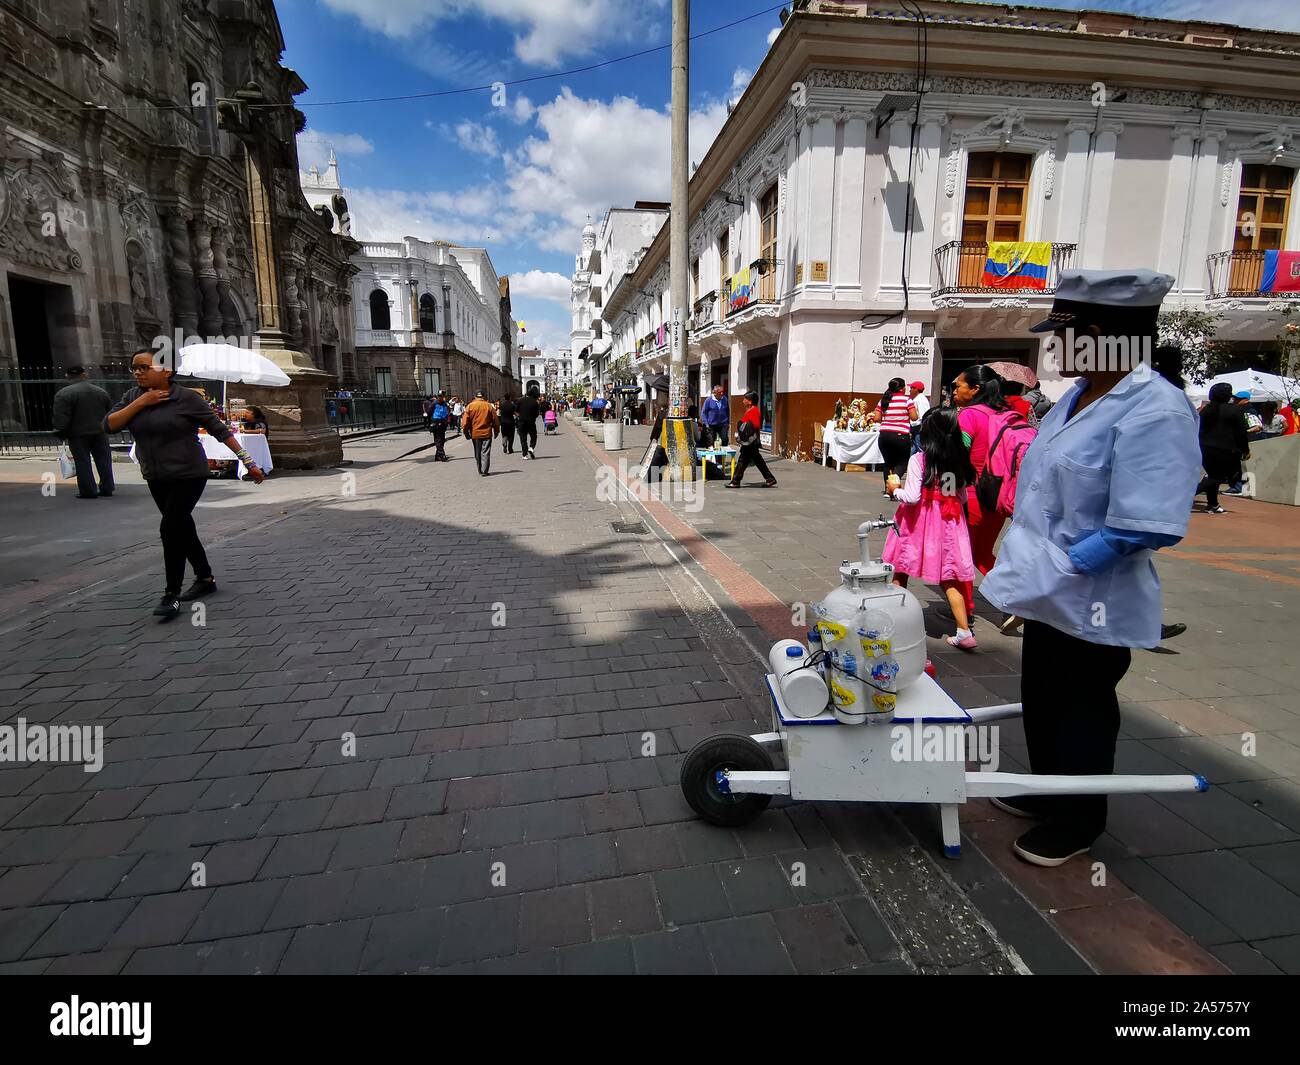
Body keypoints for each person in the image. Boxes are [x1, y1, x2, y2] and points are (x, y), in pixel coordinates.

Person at [980, 269, 1201, 868]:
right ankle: (1050, 793)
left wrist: (1066, 567)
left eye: (1063, 335)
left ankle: (1078, 822)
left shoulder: (1156, 410)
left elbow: (1146, 522)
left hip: (1092, 594)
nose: (1054, 346)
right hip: (1048, 592)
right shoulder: (1076, 398)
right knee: (1043, 698)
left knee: (1081, 709)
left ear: (1100, 335)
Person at [106, 348, 265, 619]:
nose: (138, 372)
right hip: (156, 475)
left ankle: (171, 594)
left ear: (166, 371)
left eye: (145, 367)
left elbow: (220, 431)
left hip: (188, 474)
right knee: (182, 527)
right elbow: (109, 425)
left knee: (170, 529)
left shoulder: (186, 399)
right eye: (135, 367)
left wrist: (249, 462)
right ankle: (205, 578)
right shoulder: (132, 397)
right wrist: (141, 403)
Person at [882, 407, 978, 649]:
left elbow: (913, 496)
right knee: (949, 577)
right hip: (948, 523)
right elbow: (960, 497)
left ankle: (896, 623)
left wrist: (894, 489)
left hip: (917, 523)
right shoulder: (955, 459)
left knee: (901, 569)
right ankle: (964, 631)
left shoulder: (919, 459)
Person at [951, 364, 1012, 623]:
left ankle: (965, 612)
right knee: (983, 553)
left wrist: (944, 490)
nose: (954, 390)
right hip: (1000, 496)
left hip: (972, 495)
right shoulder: (1007, 414)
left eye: (958, 386)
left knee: (961, 556)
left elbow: (957, 456)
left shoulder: (968, 415)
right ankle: (1015, 598)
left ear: (975, 389)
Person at [52, 365, 115, 499]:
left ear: (67, 376)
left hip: (77, 434)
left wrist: (60, 433)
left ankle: (88, 491)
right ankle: (107, 487)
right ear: (84, 375)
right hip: (99, 431)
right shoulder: (100, 391)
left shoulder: (63, 394)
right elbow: (110, 411)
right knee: (104, 460)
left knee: (82, 461)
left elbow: (61, 417)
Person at [1195, 381, 1249, 514]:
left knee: (1213, 475)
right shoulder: (1235, 410)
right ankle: (1186, 495)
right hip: (1225, 450)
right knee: (1218, 478)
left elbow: (1198, 428)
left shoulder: (1206, 409)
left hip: (1204, 448)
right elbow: (1241, 432)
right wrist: (1245, 449)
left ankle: (1213, 504)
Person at [868, 377, 918, 490]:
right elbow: (914, 417)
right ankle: (894, 484)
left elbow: (876, 418)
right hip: (901, 436)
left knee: (888, 463)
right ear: (902, 389)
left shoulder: (883, 401)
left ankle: (888, 489)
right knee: (902, 463)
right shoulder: (907, 400)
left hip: (884, 436)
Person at [726, 391, 777, 488]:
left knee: (743, 460)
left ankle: (735, 481)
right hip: (751, 441)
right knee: (756, 460)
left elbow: (755, 425)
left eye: (745, 399)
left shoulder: (754, 411)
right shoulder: (751, 410)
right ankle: (770, 479)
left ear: (750, 401)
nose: (743, 401)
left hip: (751, 441)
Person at [461, 390, 498, 476]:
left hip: (475, 433)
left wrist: (466, 432)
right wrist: (496, 431)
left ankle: (479, 469)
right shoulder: (488, 406)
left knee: (477, 452)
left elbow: (465, 422)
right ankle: (485, 470)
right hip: (487, 433)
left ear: (475, 397)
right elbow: (495, 420)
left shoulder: (470, 406)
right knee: (485, 452)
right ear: (483, 397)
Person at [515, 385, 542, 459]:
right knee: (533, 436)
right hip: (531, 422)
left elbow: (516, 411)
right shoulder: (535, 402)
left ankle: (524, 454)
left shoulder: (520, 400)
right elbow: (537, 414)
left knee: (523, 438)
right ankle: (531, 447)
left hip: (521, 422)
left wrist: (520, 416)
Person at [428, 392, 450, 461]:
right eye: (439, 396)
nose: (440, 397)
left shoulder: (444, 404)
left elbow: (447, 412)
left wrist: (446, 420)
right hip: (436, 423)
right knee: (438, 440)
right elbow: (429, 412)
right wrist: (433, 420)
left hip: (443, 423)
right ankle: (442, 454)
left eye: (442, 396)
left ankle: (437, 456)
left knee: (442, 439)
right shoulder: (434, 403)